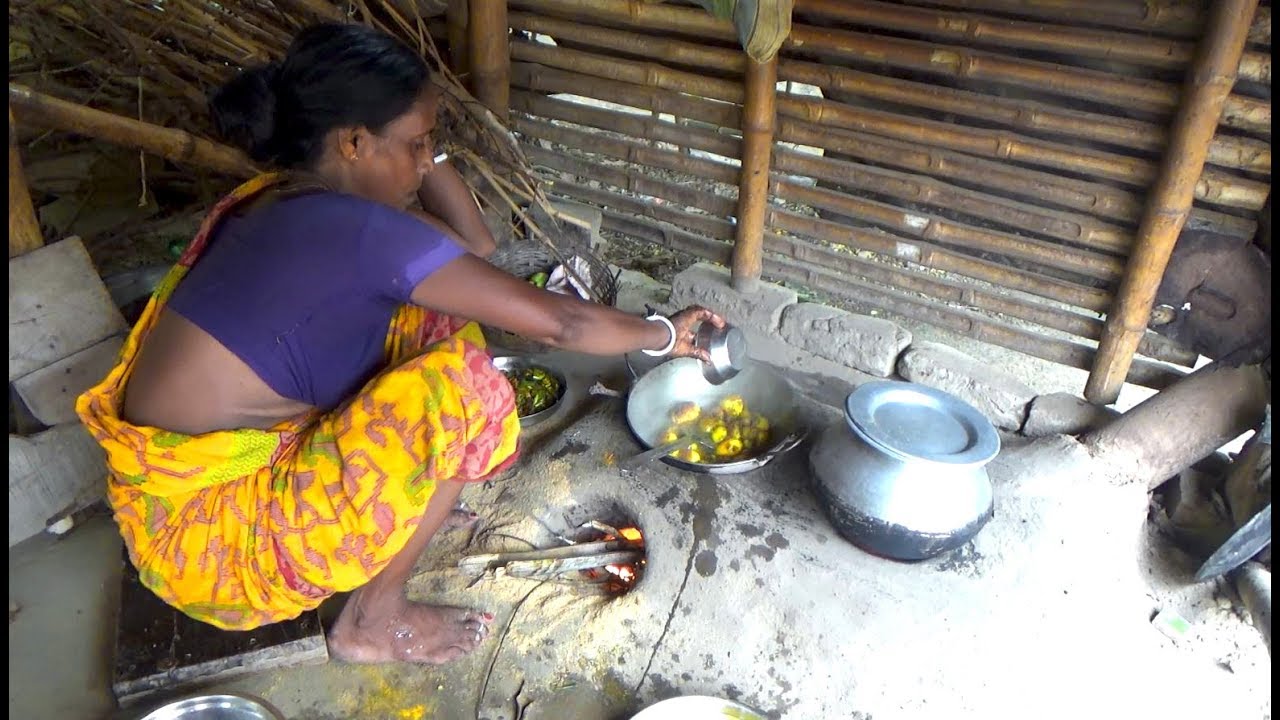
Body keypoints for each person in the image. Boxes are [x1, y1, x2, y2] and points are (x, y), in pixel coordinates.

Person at [76, 23, 725, 665]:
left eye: (431, 145)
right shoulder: (357, 232)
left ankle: (398, 515)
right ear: (355, 141)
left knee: (440, 324)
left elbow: (473, 248)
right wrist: (667, 334)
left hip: (189, 492)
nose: (426, 163)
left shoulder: (296, 199)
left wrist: (417, 146)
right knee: (464, 391)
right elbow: (562, 325)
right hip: (214, 544)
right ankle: (372, 618)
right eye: (417, 145)